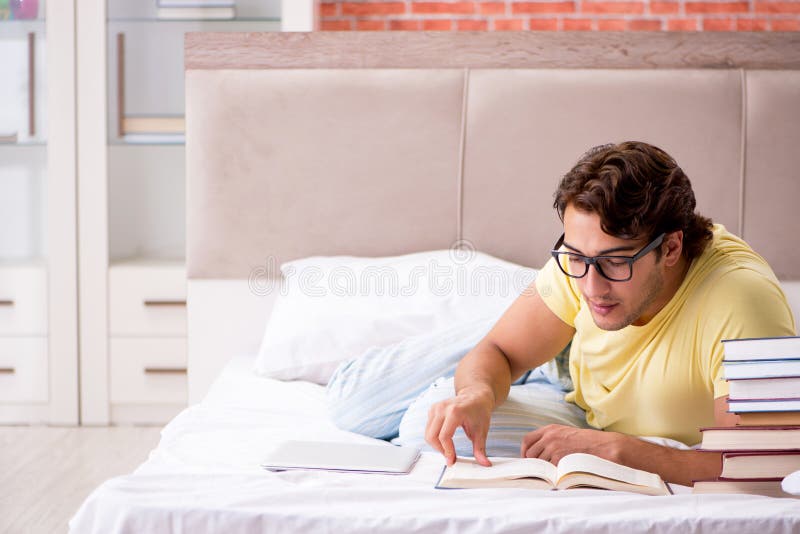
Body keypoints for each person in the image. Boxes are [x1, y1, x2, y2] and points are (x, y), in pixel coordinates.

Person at [424, 141, 796, 486]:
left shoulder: (744, 304)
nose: (590, 286)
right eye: (575, 257)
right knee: (438, 410)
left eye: (615, 262)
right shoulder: (586, 266)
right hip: (565, 357)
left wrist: (619, 452)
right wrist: (476, 394)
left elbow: (763, 465)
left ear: (670, 248)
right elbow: (498, 351)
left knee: (422, 425)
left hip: (587, 404)